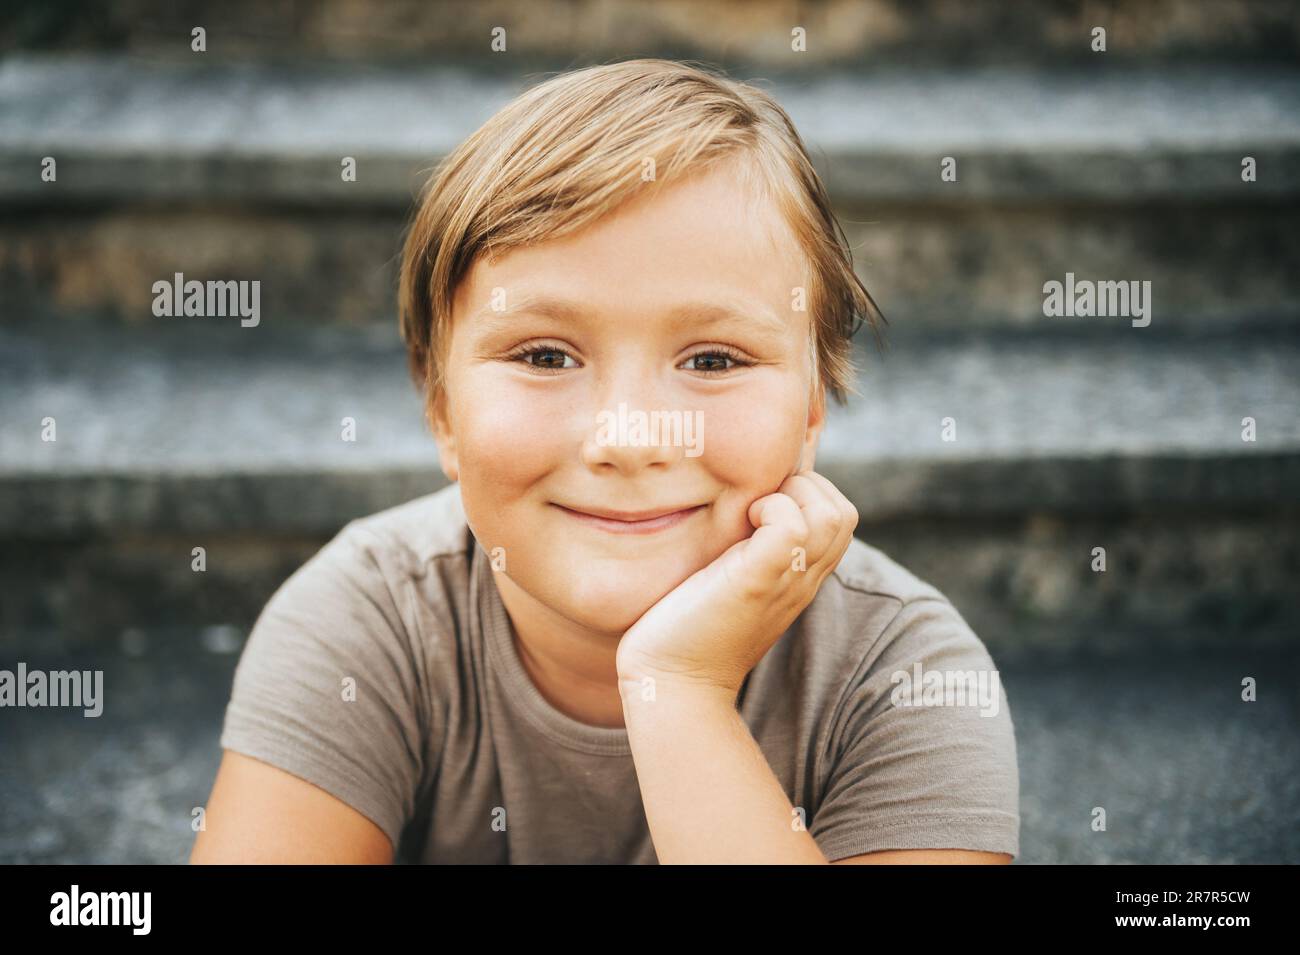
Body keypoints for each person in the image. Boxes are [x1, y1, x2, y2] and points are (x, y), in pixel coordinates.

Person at [191, 58, 1019, 864]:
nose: (629, 438)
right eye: (546, 357)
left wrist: (681, 689)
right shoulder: (365, 621)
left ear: (809, 413)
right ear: (442, 407)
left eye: (714, 360)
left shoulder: (907, 674)